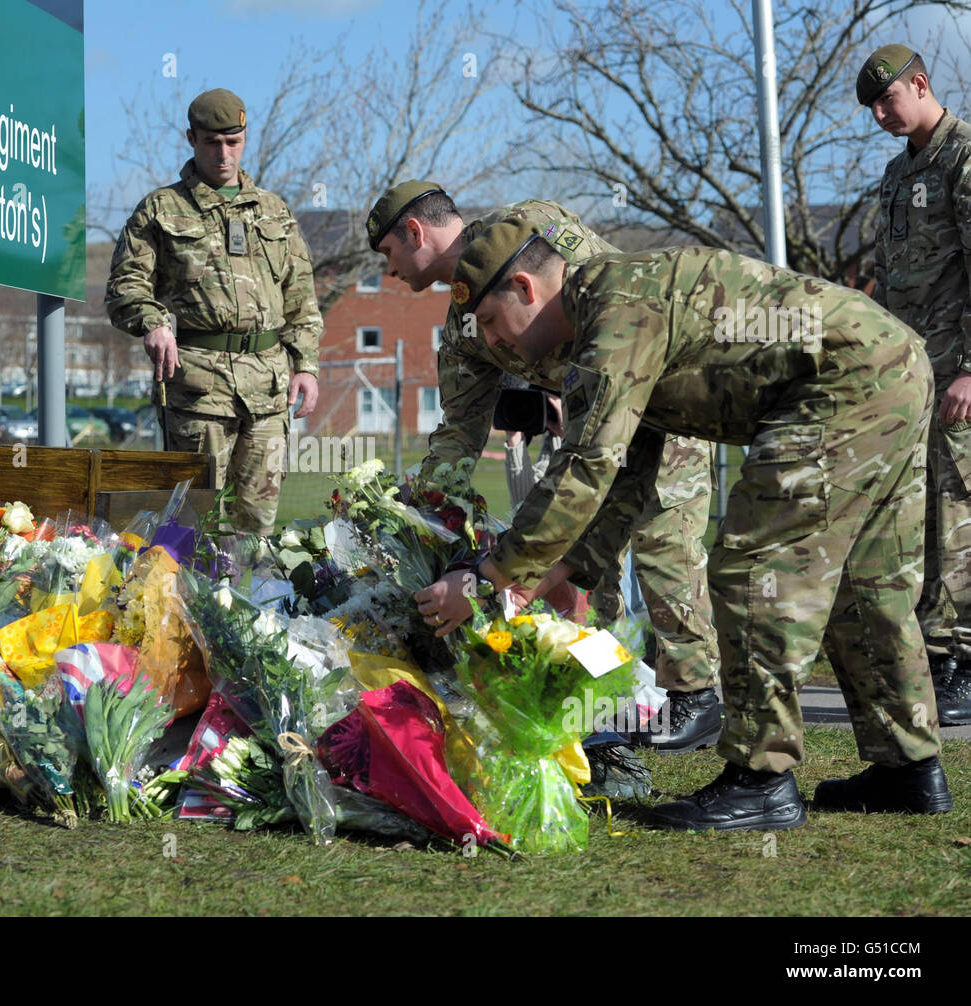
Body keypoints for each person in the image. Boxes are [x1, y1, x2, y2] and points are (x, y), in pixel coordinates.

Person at [414, 219, 952, 830]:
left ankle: (762, 779)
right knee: (867, 581)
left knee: (753, 568)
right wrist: (569, 569)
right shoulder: (606, 318)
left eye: (489, 322)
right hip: (888, 363)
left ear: (525, 287)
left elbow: (587, 463)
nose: (495, 343)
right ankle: (908, 768)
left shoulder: (617, 308)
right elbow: (627, 469)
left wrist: (491, 576)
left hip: (842, 382)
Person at [366, 181, 721, 753]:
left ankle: (696, 697)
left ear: (415, 232)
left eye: (387, 254)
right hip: (590, 430)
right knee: (589, 561)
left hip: (653, 395)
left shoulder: (530, 227)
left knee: (664, 539)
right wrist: (422, 511)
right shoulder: (461, 328)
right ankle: (614, 689)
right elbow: (459, 430)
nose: (388, 271)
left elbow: (612, 300)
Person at [105, 89, 323, 534]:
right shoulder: (161, 210)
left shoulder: (274, 212)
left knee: (255, 530)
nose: (224, 154)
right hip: (198, 392)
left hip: (268, 389)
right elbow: (124, 287)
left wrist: (307, 364)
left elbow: (301, 297)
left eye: (234, 141)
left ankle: (248, 603)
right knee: (194, 527)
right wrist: (153, 322)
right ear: (191, 138)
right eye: (211, 142)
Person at [860, 45, 971, 725]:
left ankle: (959, 655)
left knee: (958, 505)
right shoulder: (897, 176)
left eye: (887, 100)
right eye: (871, 107)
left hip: (956, 369)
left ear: (921, 84)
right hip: (909, 372)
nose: (878, 114)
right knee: (922, 508)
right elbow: (883, 274)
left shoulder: (963, 158)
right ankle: (932, 651)